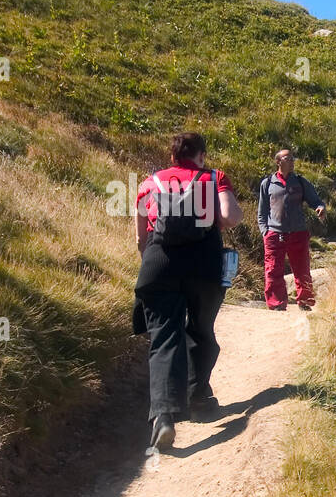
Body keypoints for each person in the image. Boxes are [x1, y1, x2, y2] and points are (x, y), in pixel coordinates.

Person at [134, 132, 243, 451]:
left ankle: (163, 416)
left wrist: (155, 264)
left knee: (164, 337)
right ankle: (199, 399)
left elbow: (141, 238)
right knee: (200, 329)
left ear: (172, 157)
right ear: (201, 155)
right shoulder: (214, 177)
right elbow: (229, 217)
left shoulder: (150, 182)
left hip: (159, 263)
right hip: (204, 265)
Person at [258, 149, 324, 310]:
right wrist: (265, 231)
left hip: (298, 233)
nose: (292, 161)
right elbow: (262, 211)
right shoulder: (267, 183)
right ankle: (276, 303)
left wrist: (320, 207)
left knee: (302, 269)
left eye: (293, 159)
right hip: (274, 234)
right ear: (278, 162)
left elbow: (316, 201)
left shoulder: (301, 182)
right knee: (273, 269)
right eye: (288, 159)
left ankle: (305, 302)